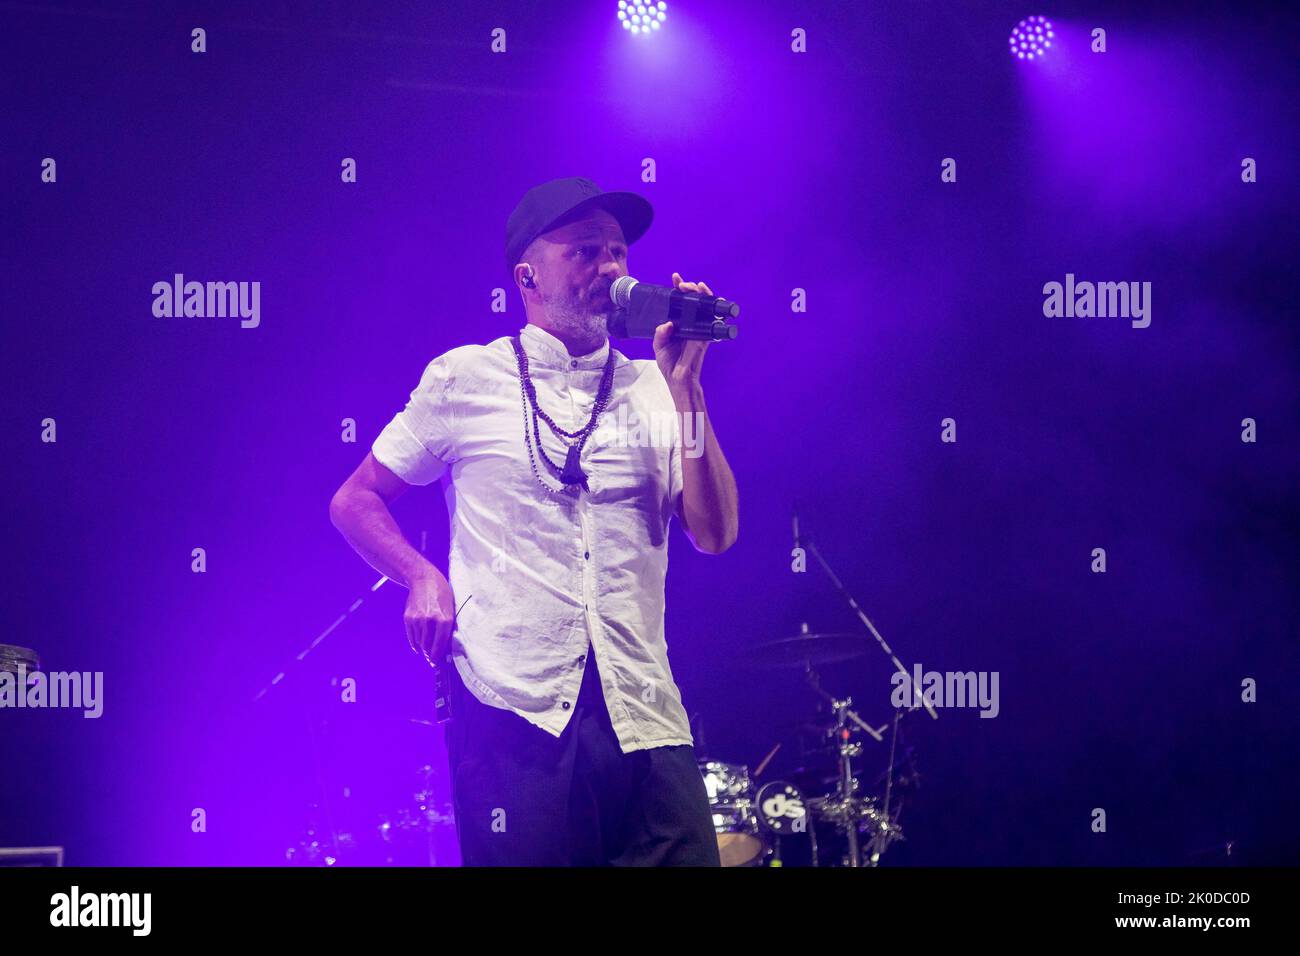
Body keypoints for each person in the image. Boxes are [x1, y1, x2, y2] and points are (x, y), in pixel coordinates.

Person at [329, 176, 739, 866]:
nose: (609, 268)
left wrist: (688, 386)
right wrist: (421, 576)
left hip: (642, 707)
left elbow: (717, 532)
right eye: (584, 252)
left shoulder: (654, 387)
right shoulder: (466, 378)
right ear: (528, 276)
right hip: (514, 712)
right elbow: (354, 499)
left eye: (616, 252)